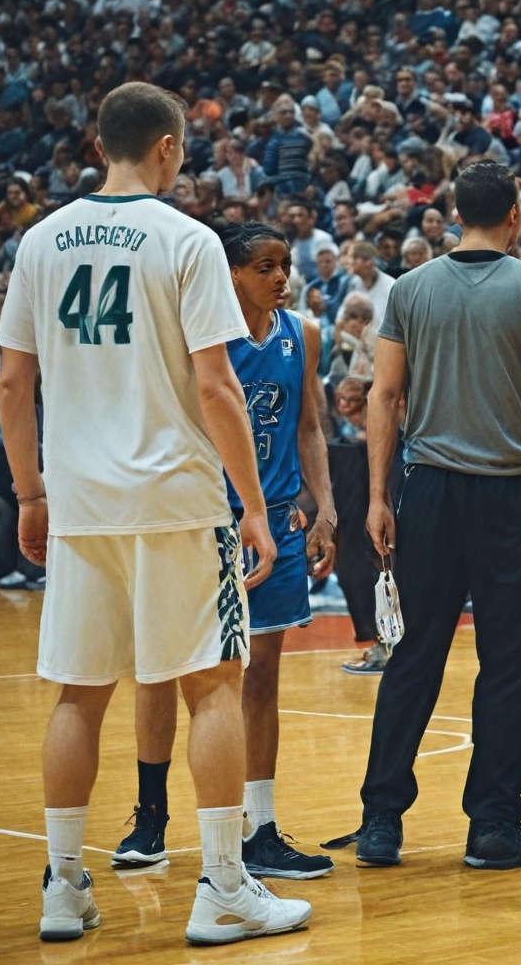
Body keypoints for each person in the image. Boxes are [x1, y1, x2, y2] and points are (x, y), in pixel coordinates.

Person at [0, 82, 309, 944]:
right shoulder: (186, 239)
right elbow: (216, 385)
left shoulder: (42, 240)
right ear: (169, 147)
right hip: (176, 497)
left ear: (103, 144)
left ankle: (63, 887)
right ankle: (224, 888)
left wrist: (30, 491)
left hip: (83, 502)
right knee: (211, 684)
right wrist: (252, 503)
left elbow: (13, 381)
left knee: (79, 694)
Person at [346, 161, 521, 872]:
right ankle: (494, 822)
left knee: (414, 656)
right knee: (513, 664)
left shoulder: (410, 289)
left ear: (450, 210)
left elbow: (383, 395)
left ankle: (381, 820)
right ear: (514, 218)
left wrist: (378, 496)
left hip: (431, 493)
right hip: (517, 494)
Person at [118, 224, 338, 883]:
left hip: (273, 522)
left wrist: (324, 506)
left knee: (261, 673)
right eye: (265, 267)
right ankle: (150, 817)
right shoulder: (198, 335)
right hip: (198, 519)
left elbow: (309, 427)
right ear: (230, 273)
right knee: (165, 669)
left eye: (285, 265)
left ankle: (259, 826)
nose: (280, 277)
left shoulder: (304, 333)